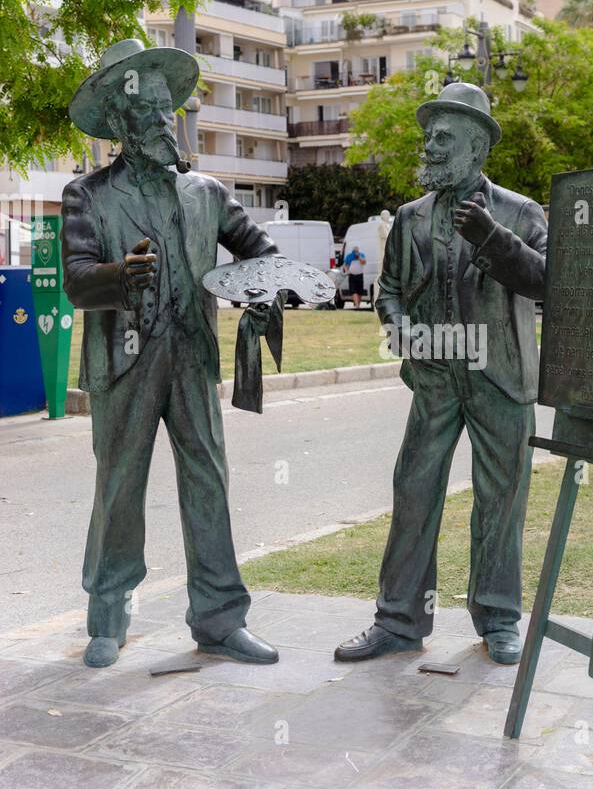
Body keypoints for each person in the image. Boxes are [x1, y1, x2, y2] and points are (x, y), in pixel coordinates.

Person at [62, 38, 282, 669]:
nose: (165, 122)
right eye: (149, 113)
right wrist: (118, 277)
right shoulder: (88, 195)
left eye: (169, 111)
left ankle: (218, 619)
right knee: (120, 487)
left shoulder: (205, 193)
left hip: (191, 359)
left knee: (208, 482)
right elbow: (77, 280)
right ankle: (108, 611)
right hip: (124, 362)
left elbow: (259, 252)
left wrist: (259, 293)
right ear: (121, 124)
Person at [334, 82, 547, 666]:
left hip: (501, 377)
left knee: (500, 498)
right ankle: (399, 619)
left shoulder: (520, 213)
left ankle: (499, 617)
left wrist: (493, 239)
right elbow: (392, 291)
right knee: (413, 491)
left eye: (443, 137)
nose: (430, 144)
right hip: (435, 378)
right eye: (428, 134)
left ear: (477, 148)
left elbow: (549, 283)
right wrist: (403, 335)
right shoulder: (410, 217)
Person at [343, 244, 366, 309]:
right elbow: (345, 265)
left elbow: (364, 262)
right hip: (352, 276)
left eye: (357, 251)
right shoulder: (349, 256)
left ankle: (358, 304)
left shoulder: (361, 255)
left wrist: (359, 257)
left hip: (360, 275)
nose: (355, 252)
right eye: (354, 251)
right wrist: (347, 271)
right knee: (353, 291)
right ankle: (357, 305)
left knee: (360, 292)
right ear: (352, 251)